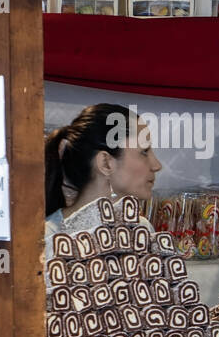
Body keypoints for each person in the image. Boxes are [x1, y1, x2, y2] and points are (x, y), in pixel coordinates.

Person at [44, 103, 162, 258]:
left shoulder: (141, 229)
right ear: (105, 162)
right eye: (144, 152)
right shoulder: (48, 240)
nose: (157, 165)